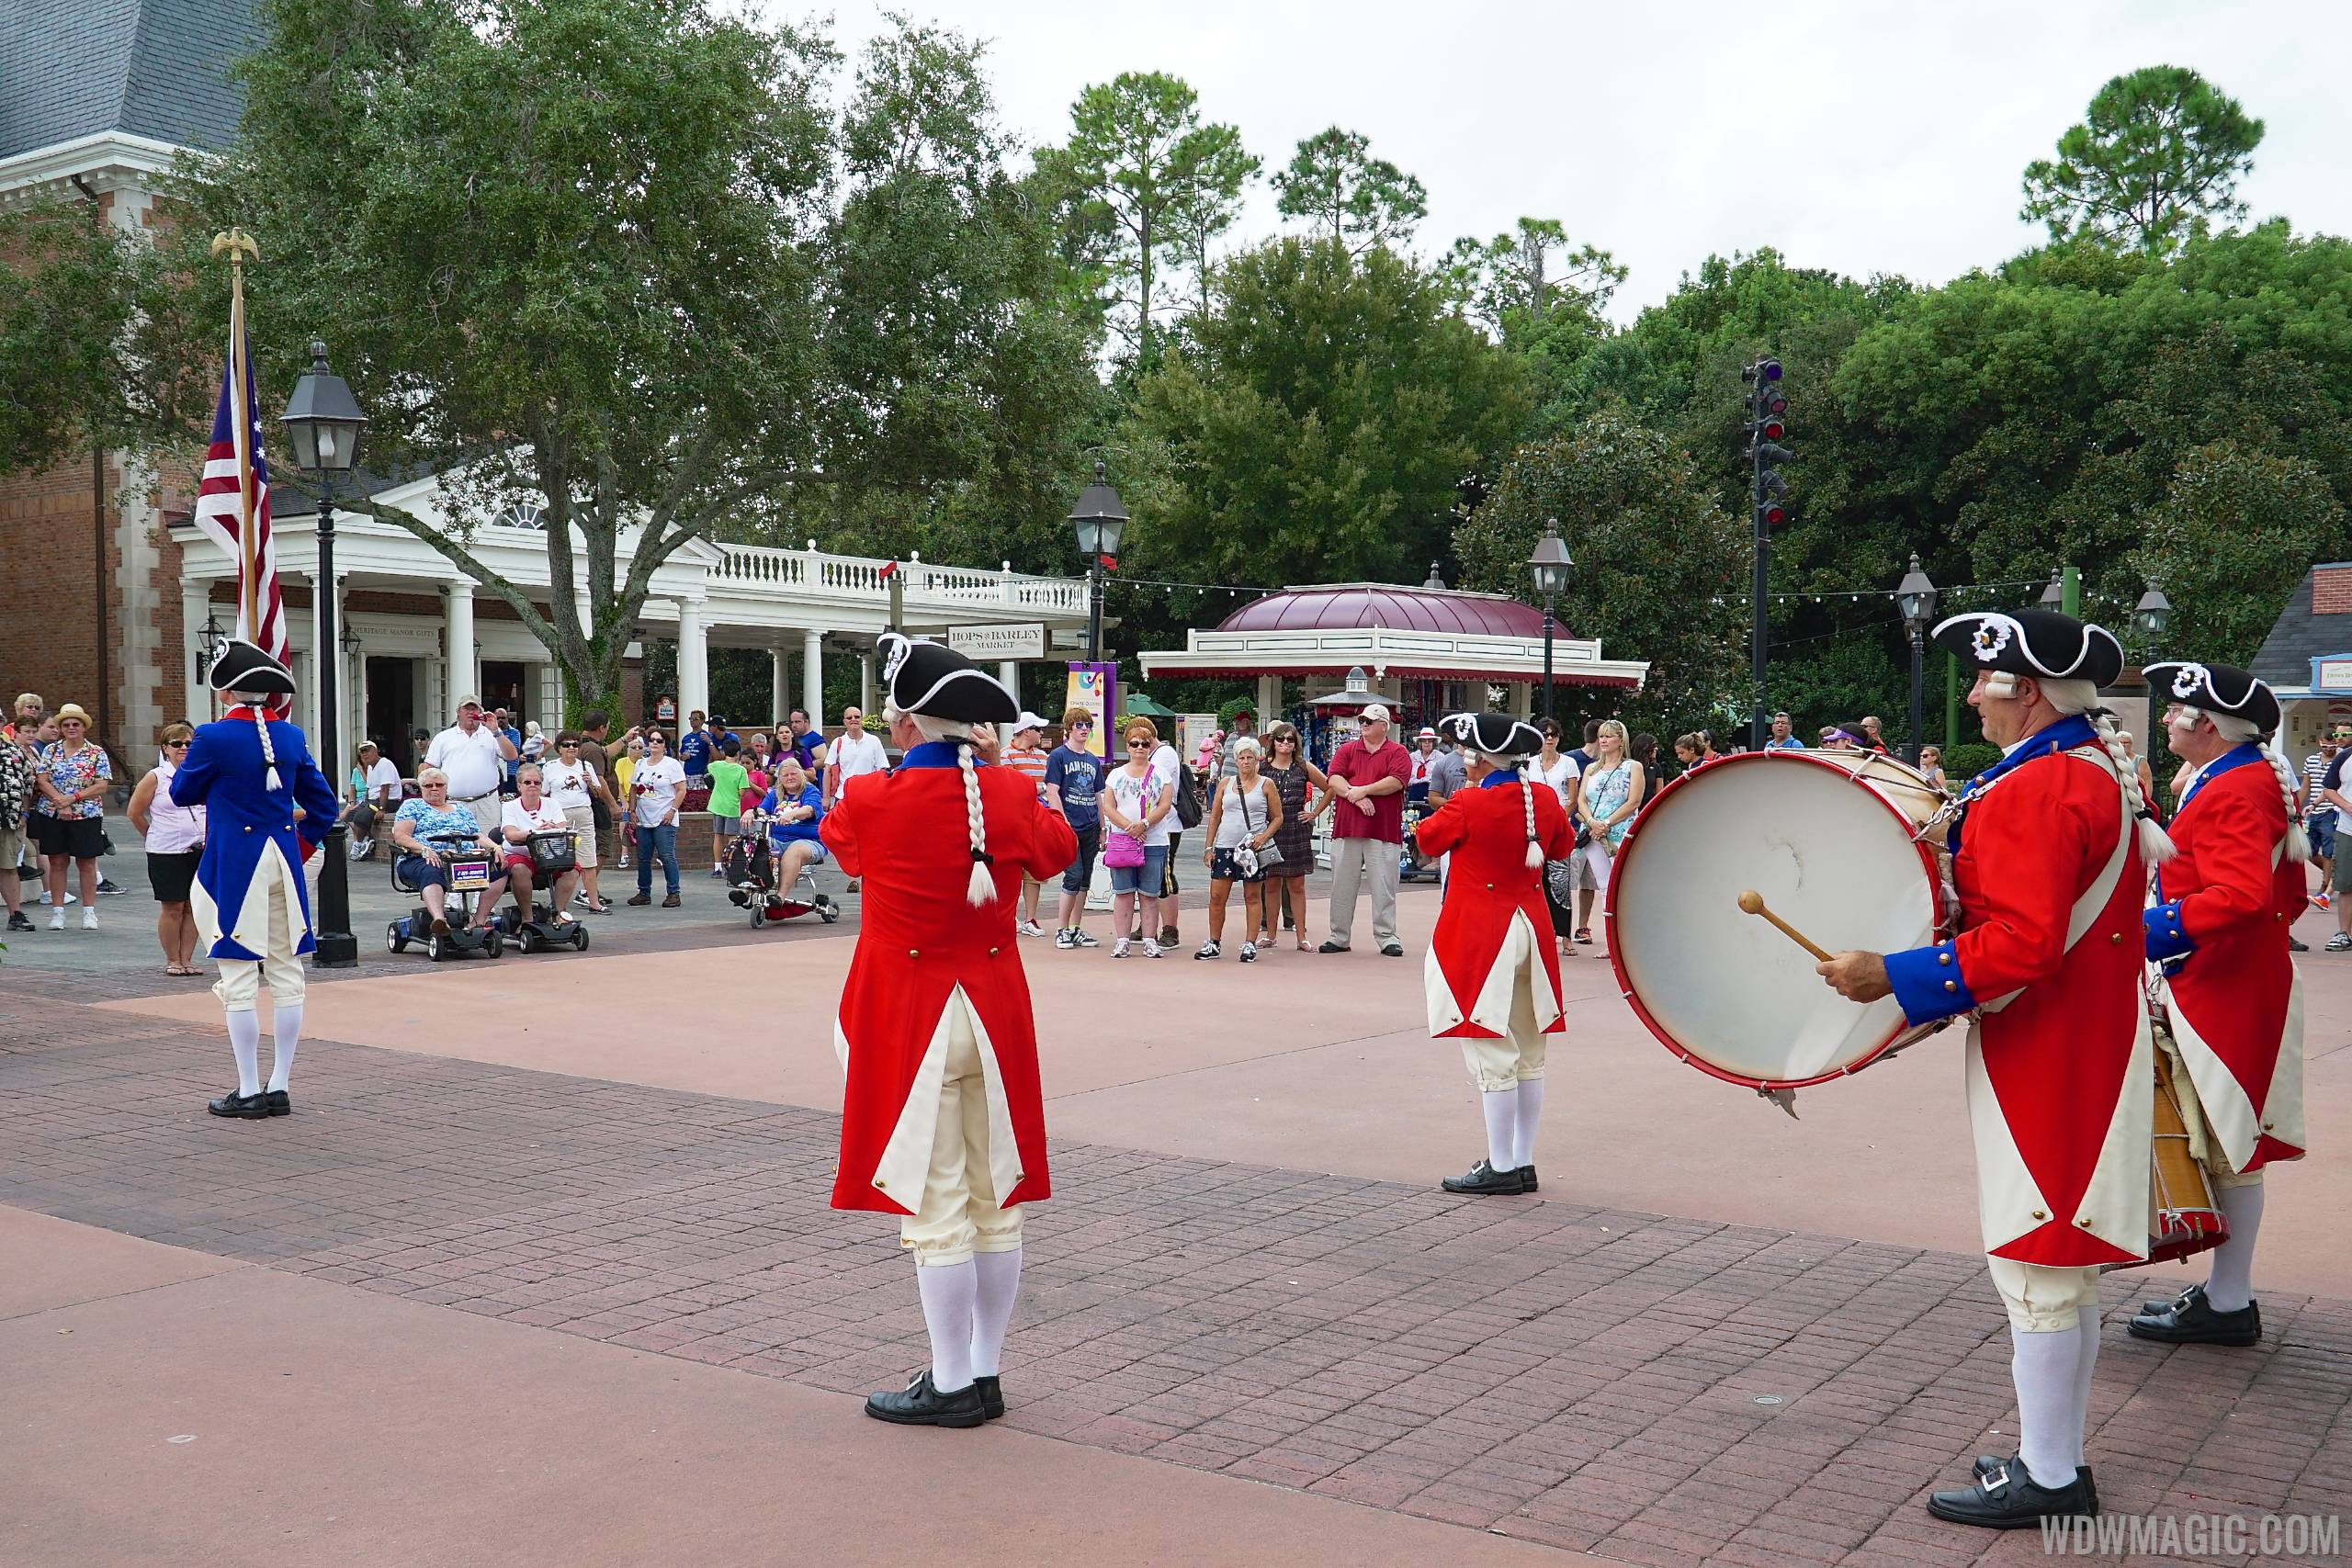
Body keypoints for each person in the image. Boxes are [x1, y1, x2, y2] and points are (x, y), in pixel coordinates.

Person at [1815, 607, 2163, 1529]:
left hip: (2048, 1049)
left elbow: (2019, 944)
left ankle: (2051, 1477)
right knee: (2057, 1263)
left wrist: (1889, 973)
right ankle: (2053, 1458)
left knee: (2037, 1259)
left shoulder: (2041, 788)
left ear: (2031, 691)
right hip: (2083, 1034)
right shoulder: (2085, 769)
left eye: (1984, 680)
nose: (1972, 696)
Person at [820, 634, 1076, 1428]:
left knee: (935, 1210)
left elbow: (841, 845)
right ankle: (987, 1371)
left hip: (911, 1019)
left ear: (904, 724)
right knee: (995, 1197)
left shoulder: (872, 797)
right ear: (977, 728)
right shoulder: (1006, 794)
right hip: (992, 1012)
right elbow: (1060, 854)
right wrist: (1003, 773)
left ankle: (951, 1379)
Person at [2127, 662, 2307, 1352]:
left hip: (2222, 982)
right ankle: (2229, 1294)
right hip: (2228, 974)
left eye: (2176, 709)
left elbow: (2241, 897)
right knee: (2232, 1138)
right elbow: (2281, 895)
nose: (2168, 717)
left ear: (2206, 724)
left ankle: (2231, 1301)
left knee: (2234, 1143)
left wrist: (2148, 933)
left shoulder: (2236, 787)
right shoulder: (2242, 777)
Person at [171, 640, 341, 1120]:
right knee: (288, 974)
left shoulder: (212, 736)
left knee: (239, 975)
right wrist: (298, 848)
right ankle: (279, 1085)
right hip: (282, 863)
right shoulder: (290, 736)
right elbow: (323, 808)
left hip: (233, 864)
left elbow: (183, 790)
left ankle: (248, 1089)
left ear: (225, 691)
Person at [1415, 713, 1575, 1196]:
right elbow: (1563, 845)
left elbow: (1425, 842)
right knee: (1529, 1050)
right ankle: (1522, 1162)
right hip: (1532, 927)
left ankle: (1501, 1166)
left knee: (1489, 1043)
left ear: (1481, 758)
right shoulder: (1543, 798)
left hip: (1485, 932)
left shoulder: (1468, 801)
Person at [1319, 704, 1411, 957]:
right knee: (1341, 886)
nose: (1364, 725)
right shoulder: (1347, 749)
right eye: (1362, 721)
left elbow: (1396, 781)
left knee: (1384, 887)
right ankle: (1339, 936)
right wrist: (1355, 795)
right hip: (1348, 828)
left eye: (1369, 721)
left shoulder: (1398, 752)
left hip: (1383, 829)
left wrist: (1364, 789)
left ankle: (1387, 937)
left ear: (1384, 725)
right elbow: (1334, 778)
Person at [391, 769, 510, 939]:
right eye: (429, 785)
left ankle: (479, 921)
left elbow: (477, 835)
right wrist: (424, 849)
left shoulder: (460, 809)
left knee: (499, 869)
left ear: (446, 788)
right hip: (422, 857)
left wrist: (496, 848)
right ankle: (440, 920)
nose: (434, 789)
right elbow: (401, 836)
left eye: (439, 785)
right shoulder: (412, 806)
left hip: (461, 859)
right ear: (421, 788)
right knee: (431, 870)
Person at [1196, 735, 1283, 962]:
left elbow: (1277, 818)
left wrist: (1263, 837)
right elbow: (1215, 816)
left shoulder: (1266, 784)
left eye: (1250, 757)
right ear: (1236, 760)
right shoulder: (1226, 784)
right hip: (1225, 845)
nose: (1245, 762)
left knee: (1252, 895)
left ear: (1257, 760)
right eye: (1241, 757)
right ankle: (1214, 942)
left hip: (1250, 848)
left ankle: (1249, 943)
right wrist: (1208, 847)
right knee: (1217, 895)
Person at [129, 721, 206, 975]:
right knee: (173, 905)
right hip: (167, 850)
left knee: (194, 905)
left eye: (188, 744)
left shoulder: (202, 774)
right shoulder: (156, 777)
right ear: (165, 748)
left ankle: (187, 958)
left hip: (201, 848)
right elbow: (135, 813)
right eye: (177, 744)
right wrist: (153, 835)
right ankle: (173, 959)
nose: (183, 748)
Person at [31, 702, 111, 930]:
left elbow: (101, 785)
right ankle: (58, 912)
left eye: (76, 724)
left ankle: (89, 912)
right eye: (66, 724)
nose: (71, 728)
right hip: (53, 813)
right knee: (57, 861)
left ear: (83, 726)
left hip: (86, 814)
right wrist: (60, 801)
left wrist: (73, 798)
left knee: (87, 862)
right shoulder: (51, 750)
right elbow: (42, 779)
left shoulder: (95, 752)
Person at [1102, 717, 1174, 958]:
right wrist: (1128, 826)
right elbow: (1109, 806)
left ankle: (1150, 939)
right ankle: (1122, 939)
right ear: (1128, 746)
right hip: (1123, 840)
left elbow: (1165, 805)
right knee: (1123, 892)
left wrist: (1144, 823)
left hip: (1153, 840)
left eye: (1145, 743)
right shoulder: (1115, 774)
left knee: (1149, 893)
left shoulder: (1161, 773)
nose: (1140, 748)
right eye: (1135, 744)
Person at [1570, 721, 1644, 946]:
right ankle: (1612, 941)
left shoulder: (1633, 767)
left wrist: (1607, 822)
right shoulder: (1591, 769)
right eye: (1601, 736)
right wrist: (1592, 822)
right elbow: (1581, 800)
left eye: (1609, 737)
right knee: (1604, 886)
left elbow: (1634, 801)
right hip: (1593, 833)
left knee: (1621, 884)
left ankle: (1627, 940)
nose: (1603, 740)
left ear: (1621, 741)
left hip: (1620, 831)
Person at [1257, 722, 1326, 953]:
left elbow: (1330, 787)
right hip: (1270, 828)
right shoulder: (1262, 768)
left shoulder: (1302, 767)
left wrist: (1314, 812)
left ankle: (1301, 937)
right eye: (1280, 739)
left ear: (1295, 743)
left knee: (1297, 884)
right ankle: (1271, 935)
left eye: (1290, 739)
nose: (1285, 743)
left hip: (1296, 827)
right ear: (1272, 742)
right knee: (1272, 883)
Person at [1043, 708, 1104, 949]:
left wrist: (1102, 827)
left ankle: (1076, 927)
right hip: (1069, 825)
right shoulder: (1058, 756)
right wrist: (1061, 820)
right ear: (1069, 728)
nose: (1084, 729)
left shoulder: (1092, 760)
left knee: (1085, 879)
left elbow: (1098, 794)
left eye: (1088, 725)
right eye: (1079, 725)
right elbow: (1052, 790)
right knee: (1073, 874)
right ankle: (1061, 928)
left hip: (1090, 823)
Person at [498, 763, 581, 930]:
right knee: (519, 869)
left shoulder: (552, 803)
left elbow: (563, 827)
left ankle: (557, 914)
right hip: (520, 853)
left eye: (537, 782)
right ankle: (527, 918)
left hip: (549, 854)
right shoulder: (509, 806)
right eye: (528, 782)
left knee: (572, 868)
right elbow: (511, 834)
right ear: (519, 786)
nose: (533, 786)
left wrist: (551, 828)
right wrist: (534, 832)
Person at [739, 757, 826, 904]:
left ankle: (779, 896)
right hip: (778, 840)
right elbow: (762, 810)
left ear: (801, 774)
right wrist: (750, 812)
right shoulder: (774, 794)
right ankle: (746, 890)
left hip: (809, 842)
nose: (790, 778)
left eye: (794, 774)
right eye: (785, 775)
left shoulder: (811, 791)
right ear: (780, 778)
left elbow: (809, 810)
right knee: (754, 845)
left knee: (794, 852)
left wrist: (792, 814)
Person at [424, 698, 515, 833]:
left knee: (489, 846)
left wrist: (496, 731)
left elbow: (512, 756)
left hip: (486, 802)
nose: (470, 712)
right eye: (467, 709)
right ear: (458, 712)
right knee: (455, 846)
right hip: (453, 803)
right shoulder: (443, 737)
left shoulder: (492, 735)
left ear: (480, 713)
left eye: (474, 709)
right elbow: (429, 768)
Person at [541, 732, 609, 914]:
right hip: (560, 814)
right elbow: (544, 793)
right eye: (566, 745)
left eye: (574, 745)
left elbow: (597, 792)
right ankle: (557, 904)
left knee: (588, 859)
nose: (571, 748)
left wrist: (590, 783)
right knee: (558, 860)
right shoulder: (550, 767)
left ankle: (593, 902)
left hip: (583, 813)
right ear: (559, 748)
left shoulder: (585, 766)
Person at [1004, 713, 1053, 936]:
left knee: (1034, 873)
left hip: (1037, 820)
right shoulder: (1006, 756)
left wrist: (1037, 789)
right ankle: (1009, 916)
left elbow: (1050, 786)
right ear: (1026, 731)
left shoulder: (1044, 757)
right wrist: (1038, 789)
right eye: (1038, 729)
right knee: (1012, 872)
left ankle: (1030, 919)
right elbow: (1009, 789)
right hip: (1013, 823)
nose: (1042, 733)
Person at [626, 729, 687, 907]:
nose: (654, 743)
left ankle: (674, 892)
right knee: (643, 857)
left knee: (666, 855)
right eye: (651, 740)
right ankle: (644, 892)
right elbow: (633, 788)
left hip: (664, 818)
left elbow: (681, 789)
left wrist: (672, 810)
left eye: (658, 741)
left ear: (665, 745)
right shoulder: (640, 764)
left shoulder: (671, 765)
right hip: (643, 817)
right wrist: (632, 810)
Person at [0, 713, 32, 932]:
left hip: (8, 819)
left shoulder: (13, 750)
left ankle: (15, 914)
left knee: (8, 867)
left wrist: (24, 813)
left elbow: (28, 783)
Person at [2301, 728, 2339, 908]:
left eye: (2332, 746)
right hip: (2314, 810)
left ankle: (2325, 887)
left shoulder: (2340, 760)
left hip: (2332, 810)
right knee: (2308, 850)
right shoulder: (2311, 760)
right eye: (2325, 746)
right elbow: (2305, 786)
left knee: (2329, 851)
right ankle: (2333, 875)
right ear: (2319, 742)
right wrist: (2296, 807)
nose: (2329, 750)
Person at [345, 740, 402, 861]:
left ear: (375, 751)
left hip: (388, 800)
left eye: (367, 750)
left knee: (360, 818)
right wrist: (362, 804)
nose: (365, 754)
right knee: (349, 816)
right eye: (362, 752)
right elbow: (369, 789)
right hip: (372, 800)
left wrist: (381, 809)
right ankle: (365, 839)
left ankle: (358, 844)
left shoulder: (385, 764)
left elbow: (384, 789)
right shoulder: (370, 768)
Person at [705, 739, 752, 877]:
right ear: (738, 753)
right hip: (732, 807)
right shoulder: (741, 770)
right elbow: (742, 792)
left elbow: (709, 771)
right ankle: (730, 867)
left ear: (724, 752)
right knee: (732, 838)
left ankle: (717, 867)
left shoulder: (716, 766)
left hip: (716, 805)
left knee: (717, 836)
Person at [677, 709, 714, 778]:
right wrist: (683, 757)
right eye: (690, 718)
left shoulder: (707, 736)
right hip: (687, 773)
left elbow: (712, 755)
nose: (692, 721)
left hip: (702, 774)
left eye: (695, 719)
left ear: (702, 721)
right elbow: (681, 756)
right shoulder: (686, 738)